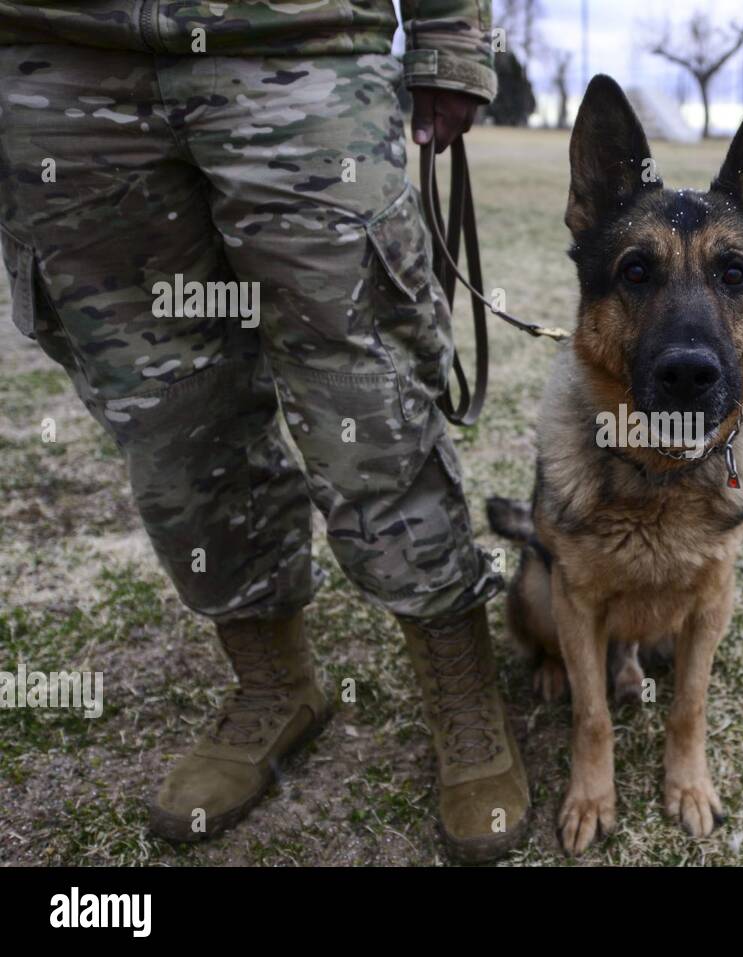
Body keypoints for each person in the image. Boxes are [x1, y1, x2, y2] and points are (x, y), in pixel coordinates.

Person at [0, 0, 529, 863]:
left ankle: (465, 696)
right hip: (57, 58)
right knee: (171, 420)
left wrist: (453, 40)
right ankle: (274, 683)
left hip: (299, 48)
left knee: (372, 406)